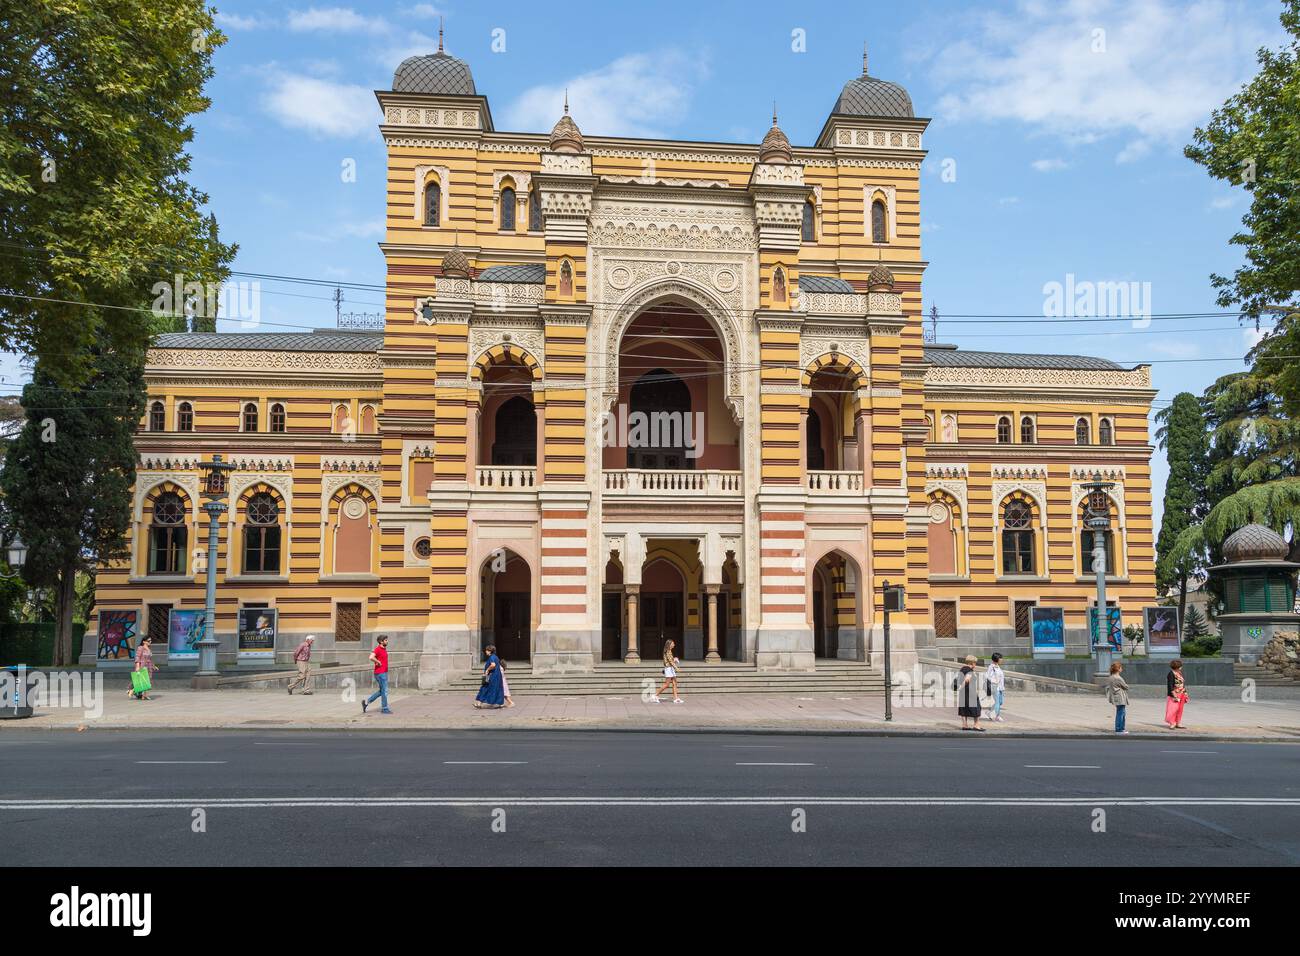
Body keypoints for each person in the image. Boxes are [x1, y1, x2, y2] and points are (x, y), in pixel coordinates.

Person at [362, 634, 392, 714]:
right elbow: (371, 657)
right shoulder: (378, 649)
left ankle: (366, 703)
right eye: (385, 640)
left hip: (383, 672)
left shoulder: (383, 649)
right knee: (385, 691)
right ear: (381, 641)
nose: (387, 641)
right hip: (380, 673)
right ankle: (385, 709)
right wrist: (378, 661)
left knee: (381, 691)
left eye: (387, 640)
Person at [955, 654, 983, 731]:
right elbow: (967, 680)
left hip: (963, 693)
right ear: (972, 663)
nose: (975, 664)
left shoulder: (962, 669)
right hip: (970, 692)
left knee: (963, 708)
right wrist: (961, 687)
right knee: (977, 708)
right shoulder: (969, 670)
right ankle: (976, 725)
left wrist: (960, 688)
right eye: (975, 663)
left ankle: (965, 725)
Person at [474, 644, 506, 709]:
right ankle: (498, 703)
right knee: (496, 689)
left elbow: (493, 665)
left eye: (487, 650)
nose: (486, 651)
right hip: (496, 676)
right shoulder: (495, 657)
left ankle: (479, 703)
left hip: (492, 676)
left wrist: (487, 670)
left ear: (490, 651)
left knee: (485, 688)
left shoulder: (491, 657)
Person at [129, 635, 158, 701]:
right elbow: (137, 657)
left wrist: (154, 666)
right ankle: (132, 690)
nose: (150, 642)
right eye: (148, 641)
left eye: (150, 641)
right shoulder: (141, 648)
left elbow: (150, 659)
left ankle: (145, 695)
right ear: (144, 641)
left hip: (149, 667)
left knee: (148, 681)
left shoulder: (149, 649)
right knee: (141, 680)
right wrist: (137, 666)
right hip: (143, 666)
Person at [652, 639, 682, 703]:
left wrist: (675, 659)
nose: (674, 645)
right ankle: (655, 695)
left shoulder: (669, 651)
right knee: (667, 684)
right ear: (669, 644)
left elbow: (670, 660)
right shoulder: (668, 651)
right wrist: (676, 667)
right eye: (673, 644)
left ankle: (676, 698)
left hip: (671, 668)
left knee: (674, 683)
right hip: (669, 669)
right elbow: (670, 661)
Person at [1106, 661, 1130, 734]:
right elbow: (1126, 687)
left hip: (1115, 696)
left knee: (1120, 712)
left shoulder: (1111, 677)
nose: (1121, 669)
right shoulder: (1118, 678)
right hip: (1120, 697)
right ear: (1118, 669)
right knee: (1121, 713)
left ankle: (1120, 729)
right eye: (1120, 667)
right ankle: (1119, 729)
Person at [1165, 658, 1189, 729]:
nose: (1181, 667)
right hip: (1175, 694)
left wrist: (1185, 693)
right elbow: (1170, 685)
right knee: (1173, 709)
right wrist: (1174, 695)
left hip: (1182, 693)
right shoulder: (1171, 673)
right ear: (1177, 667)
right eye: (1180, 666)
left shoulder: (1179, 673)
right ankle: (1172, 723)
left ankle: (1178, 722)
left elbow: (1182, 683)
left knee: (1180, 709)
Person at [985, 652, 1006, 721]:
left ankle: (989, 712)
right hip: (994, 687)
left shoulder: (998, 667)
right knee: (997, 702)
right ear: (996, 659)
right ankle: (997, 716)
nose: (1001, 660)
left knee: (1000, 702)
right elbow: (987, 676)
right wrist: (994, 681)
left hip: (1000, 687)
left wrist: (1002, 688)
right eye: (1000, 658)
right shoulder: (991, 667)